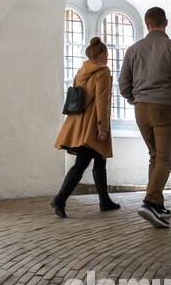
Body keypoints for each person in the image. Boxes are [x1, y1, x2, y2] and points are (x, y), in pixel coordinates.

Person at [118, 6, 171, 229]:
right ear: (165, 23)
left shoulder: (133, 49)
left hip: (141, 109)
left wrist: (135, 99)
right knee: (166, 159)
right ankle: (149, 202)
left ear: (147, 23)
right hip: (165, 108)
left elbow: (123, 84)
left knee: (155, 156)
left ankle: (157, 203)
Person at [51, 37, 121, 218]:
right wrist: (102, 127)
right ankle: (60, 198)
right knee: (81, 164)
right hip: (92, 124)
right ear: (102, 55)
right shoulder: (103, 72)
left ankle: (104, 200)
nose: (108, 58)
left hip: (78, 123)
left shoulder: (82, 71)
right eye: (107, 54)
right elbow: (101, 101)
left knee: (100, 160)